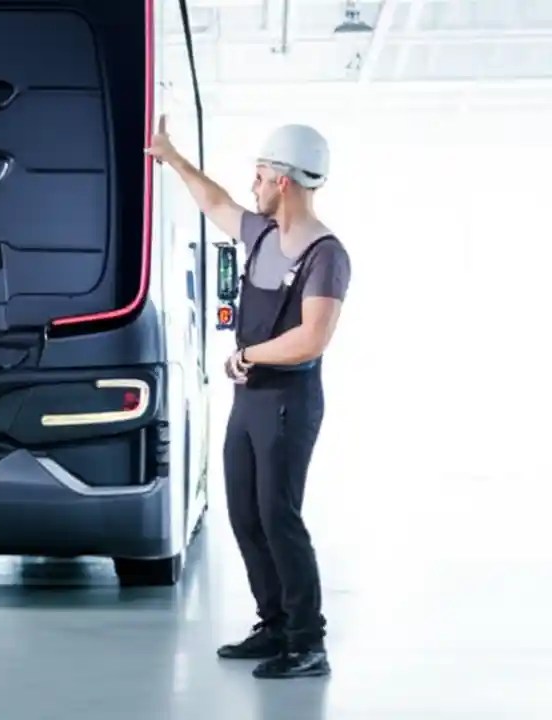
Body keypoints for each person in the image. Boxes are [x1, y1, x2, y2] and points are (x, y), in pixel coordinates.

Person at [146, 117, 350, 679]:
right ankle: (275, 625)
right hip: (251, 398)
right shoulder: (259, 234)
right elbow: (215, 202)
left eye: (258, 176)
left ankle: (308, 643)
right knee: (244, 513)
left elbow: (313, 336)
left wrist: (249, 357)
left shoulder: (325, 254)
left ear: (282, 180)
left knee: (278, 516)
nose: (252, 186)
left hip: (288, 398)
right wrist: (173, 157)